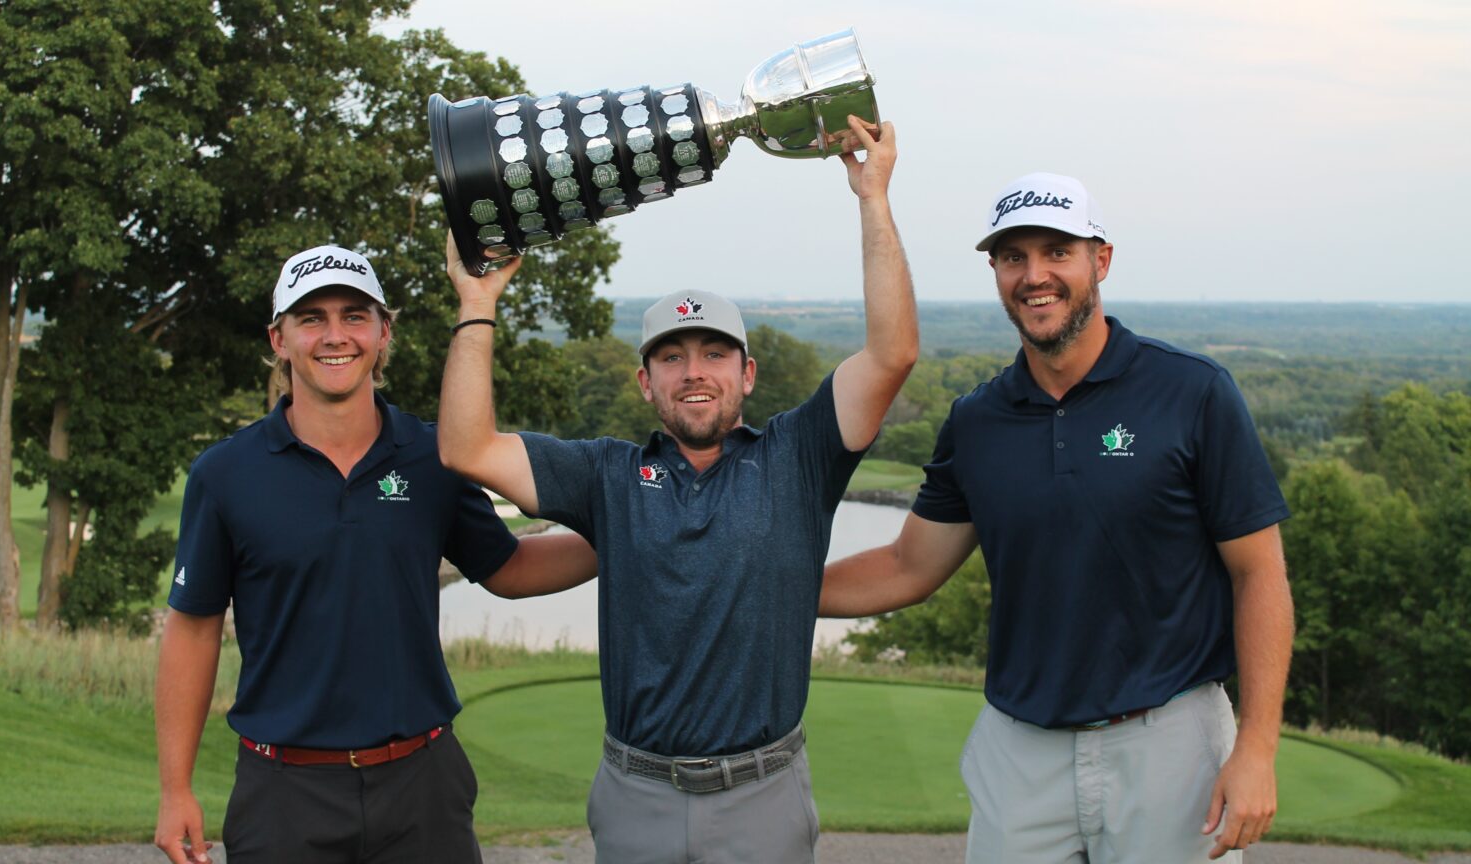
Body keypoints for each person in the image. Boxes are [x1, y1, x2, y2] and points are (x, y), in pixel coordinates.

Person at [437, 116, 915, 863]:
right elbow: (468, 447)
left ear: (746, 374)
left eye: (715, 353)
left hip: (763, 796)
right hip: (637, 797)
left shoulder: (800, 457)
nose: (695, 371)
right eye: (673, 357)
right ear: (645, 382)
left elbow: (892, 354)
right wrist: (477, 302)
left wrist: (872, 199)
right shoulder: (609, 475)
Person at [820, 172, 1294, 862]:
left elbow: (1260, 576)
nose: (1034, 275)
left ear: (1100, 260)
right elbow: (906, 566)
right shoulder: (978, 420)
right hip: (1021, 754)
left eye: (1056, 251)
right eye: (1014, 257)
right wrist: (773, 590)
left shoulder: (1192, 392)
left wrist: (1255, 748)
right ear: (995, 271)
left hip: (1169, 741)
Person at [153, 244, 597, 864]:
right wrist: (175, 789)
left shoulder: (434, 454)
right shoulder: (225, 474)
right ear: (279, 339)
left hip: (422, 783)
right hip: (283, 792)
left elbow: (509, 568)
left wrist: (620, 537)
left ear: (383, 333)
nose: (335, 336)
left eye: (354, 316)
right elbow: (193, 630)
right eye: (311, 319)